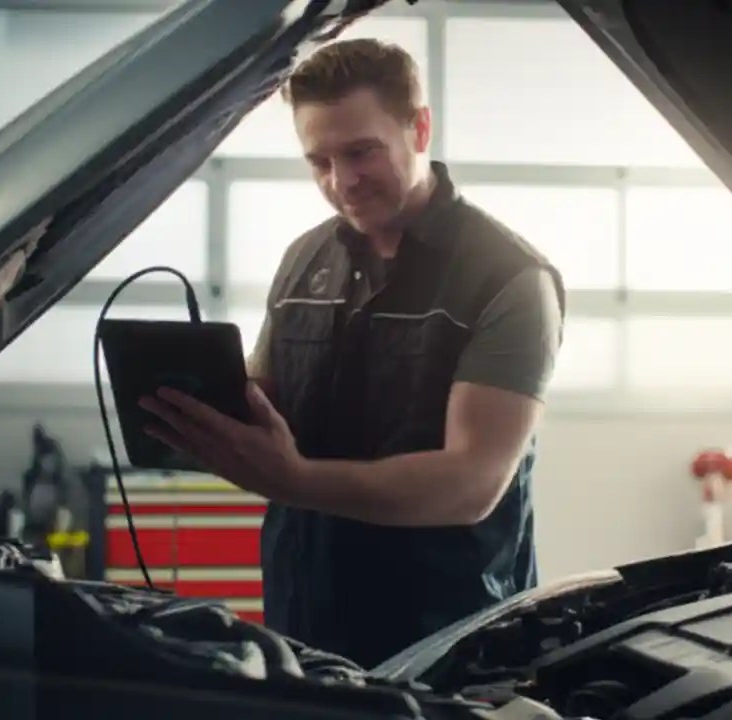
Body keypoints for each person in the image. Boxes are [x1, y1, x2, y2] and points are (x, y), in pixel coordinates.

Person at [139, 38, 565, 667]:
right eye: (319, 161)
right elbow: (270, 397)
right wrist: (202, 410)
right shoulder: (303, 260)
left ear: (420, 128)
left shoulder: (509, 278)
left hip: (450, 641)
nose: (342, 183)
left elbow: (470, 483)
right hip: (303, 623)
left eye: (362, 152)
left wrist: (294, 480)